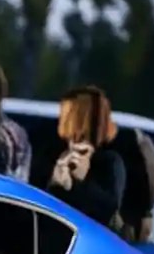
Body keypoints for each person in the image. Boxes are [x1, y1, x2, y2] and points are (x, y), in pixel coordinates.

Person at [46, 86, 126, 229]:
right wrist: (55, 183)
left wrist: (80, 183)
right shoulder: (53, 152)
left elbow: (107, 209)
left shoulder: (108, 161)